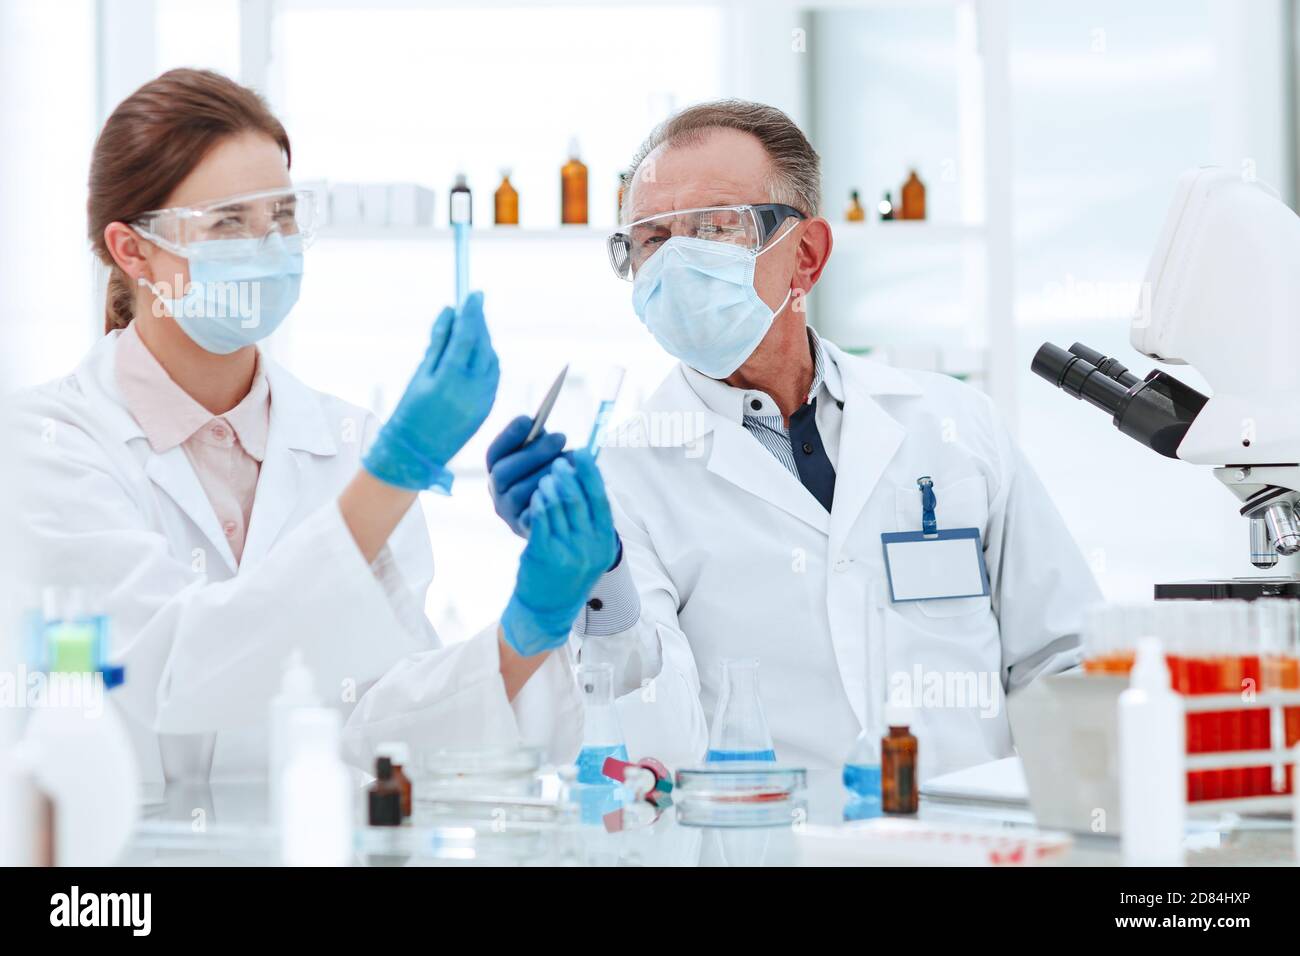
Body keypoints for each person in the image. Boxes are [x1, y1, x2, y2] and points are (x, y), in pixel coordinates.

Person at [11, 69, 616, 783]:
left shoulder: (343, 441)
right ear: (132, 251)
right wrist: (394, 473)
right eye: (230, 222)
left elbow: (378, 733)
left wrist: (529, 628)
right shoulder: (43, 445)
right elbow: (174, 671)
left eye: (283, 217)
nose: (268, 246)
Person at [490, 100, 1102, 779]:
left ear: (805, 256)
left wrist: (1059, 819)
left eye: (714, 228)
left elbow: (1063, 653)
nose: (675, 262)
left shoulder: (954, 423)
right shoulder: (625, 478)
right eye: (652, 239)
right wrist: (598, 578)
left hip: (973, 840)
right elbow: (655, 744)